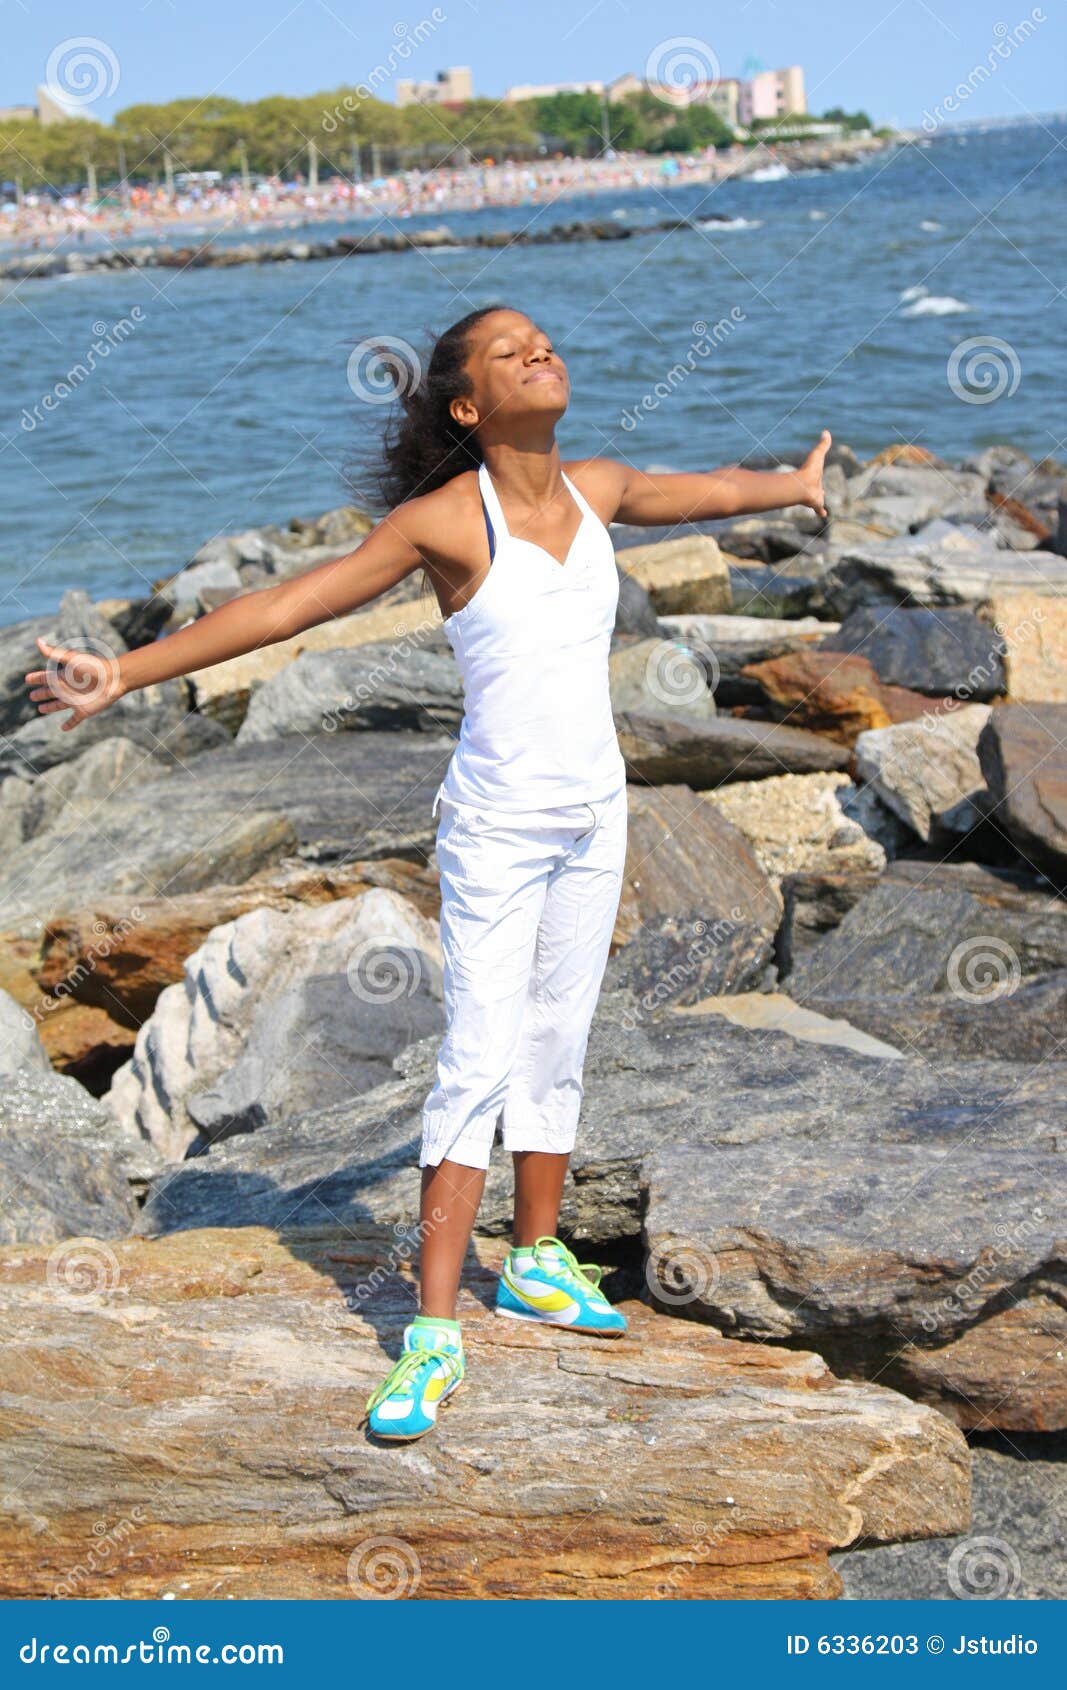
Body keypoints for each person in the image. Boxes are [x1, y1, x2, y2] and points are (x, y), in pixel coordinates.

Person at [26, 304, 831, 1442]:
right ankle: (431, 1330)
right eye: (508, 353)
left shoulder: (596, 489)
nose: (537, 352)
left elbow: (695, 490)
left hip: (594, 815)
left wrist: (789, 486)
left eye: (543, 339)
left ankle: (540, 1256)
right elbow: (286, 605)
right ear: (467, 406)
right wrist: (127, 670)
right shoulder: (451, 521)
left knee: (560, 1031)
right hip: (497, 826)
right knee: (474, 1063)